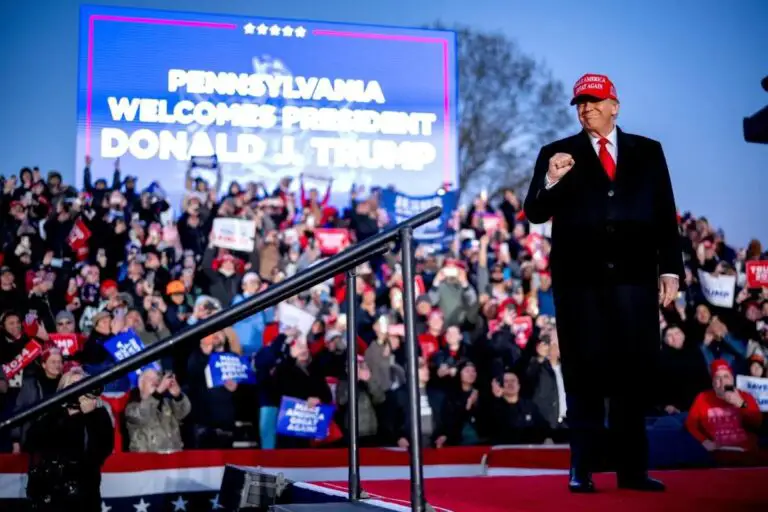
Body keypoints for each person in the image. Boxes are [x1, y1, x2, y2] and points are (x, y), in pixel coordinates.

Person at [523, 73, 683, 493]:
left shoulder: (648, 152)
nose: (586, 108)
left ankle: (633, 471)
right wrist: (551, 181)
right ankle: (583, 468)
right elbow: (535, 213)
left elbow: (665, 213)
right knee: (584, 376)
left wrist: (670, 268)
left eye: (594, 101)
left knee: (634, 375)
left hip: (634, 285)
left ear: (615, 105)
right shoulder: (557, 153)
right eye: (580, 102)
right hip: (580, 288)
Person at [24, 367, 114, 511]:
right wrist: (59, 410)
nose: (77, 391)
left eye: (82, 386)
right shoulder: (51, 414)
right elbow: (31, 442)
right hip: (50, 495)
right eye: (72, 386)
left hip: (83, 496)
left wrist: (90, 416)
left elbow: (102, 450)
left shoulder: (98, 415)